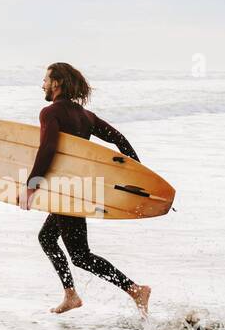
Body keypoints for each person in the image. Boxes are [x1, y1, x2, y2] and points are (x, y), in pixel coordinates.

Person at [20, 62, 151, 315]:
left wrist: (31, 185)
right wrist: (139, 172)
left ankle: (135, 290)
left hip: (67, 191)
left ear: (56, 82)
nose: (43, 85)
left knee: (80, 256)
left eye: (46, 80)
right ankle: (71, 295)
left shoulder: (50, 112)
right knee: (47, 238)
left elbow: (47, 149)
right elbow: (118, 139)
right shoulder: (85, 116)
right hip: (78, 188)